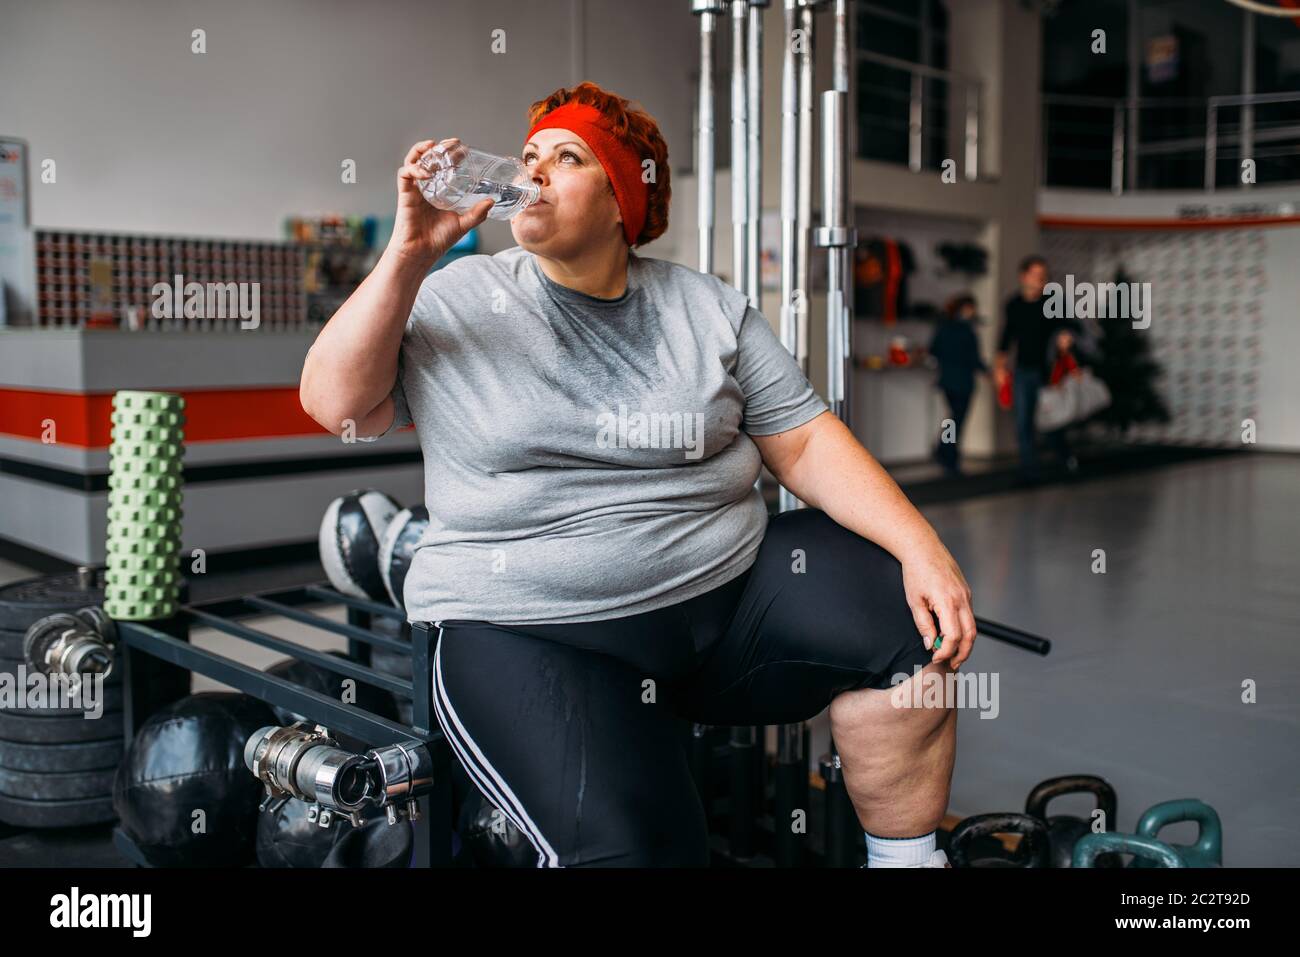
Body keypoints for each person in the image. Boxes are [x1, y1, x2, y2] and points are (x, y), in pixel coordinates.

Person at [300, 82, 978, 868]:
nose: (535, 172)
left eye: (569, 157)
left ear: (624, 200)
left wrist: (922, 546)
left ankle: (907, 863)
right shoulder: (459, 296)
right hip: (531, 632)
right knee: (637, 851)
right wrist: (410, 254)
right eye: (529, 157)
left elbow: (803, 441)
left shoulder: (705, 307)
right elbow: (334, 402)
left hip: (720, 609)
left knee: (909, 622)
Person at [995, 255, 1062, 484]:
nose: (1040, 280)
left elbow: (1069, 327)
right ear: (1023, 276)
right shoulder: (1013, 304)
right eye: (1036, 275)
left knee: (1052, 421)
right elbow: (1006, 338)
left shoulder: (1053, 302)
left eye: (1044, 276)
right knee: (1023, 422)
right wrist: (1000, 367)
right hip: (1023, 371)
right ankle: (1029, 470)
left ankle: (1063, 460)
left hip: (1050, 373)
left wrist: (1066, 337)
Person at [927, 294, 987, 477]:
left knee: (952, 419)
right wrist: (990, 372)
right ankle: (948, 454)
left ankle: (944, 450)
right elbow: (975, 359)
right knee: (956, 421)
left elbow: (933, 350)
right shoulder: (967, 331)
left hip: (946, 381)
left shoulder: (943, 327)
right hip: (963, 383)